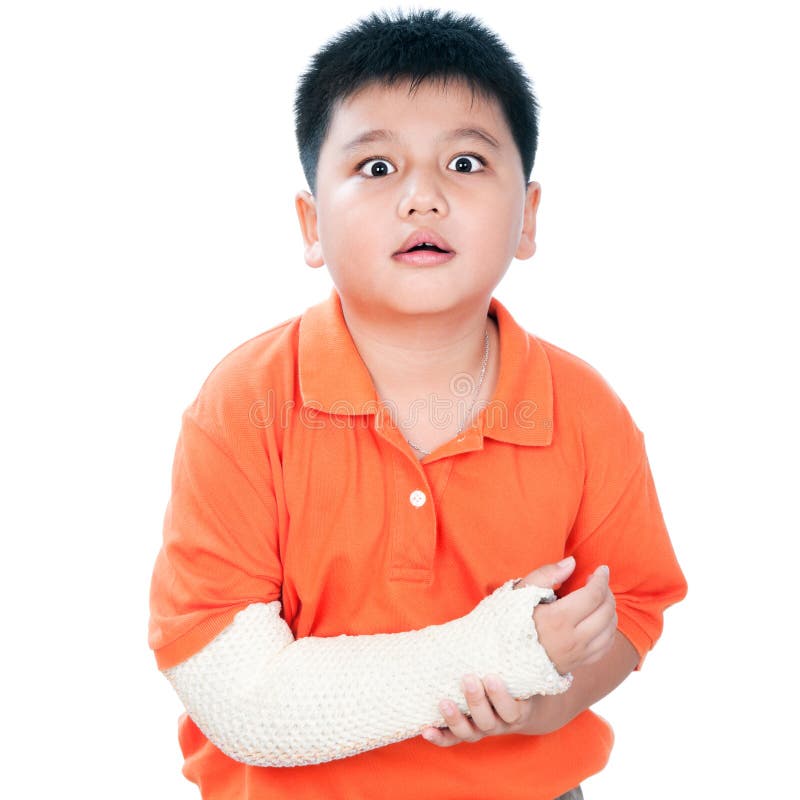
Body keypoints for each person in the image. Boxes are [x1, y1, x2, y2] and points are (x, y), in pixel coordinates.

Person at [148, 9, 687, 800]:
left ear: (529, 216)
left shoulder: (583, 411)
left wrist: (547, 702)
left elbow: (631, 608)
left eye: (466, 163)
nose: (423, 198)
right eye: (376, 168)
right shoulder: (244, 406)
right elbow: (233, 687)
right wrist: (493, 654)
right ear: (311, 224)